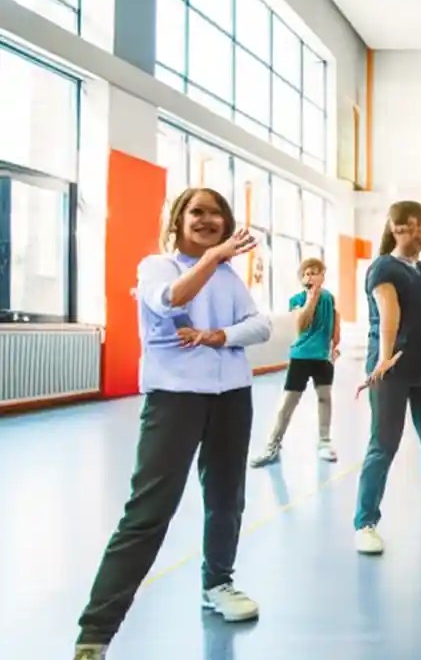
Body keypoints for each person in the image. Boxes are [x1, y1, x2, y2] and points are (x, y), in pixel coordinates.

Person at [74, 188, 268, 660]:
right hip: (175, 399)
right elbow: (171, 299)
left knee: (227, 497)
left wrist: (220, 335)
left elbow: (259, 325)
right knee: (148, 511)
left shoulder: (229, 277)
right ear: (178, 220)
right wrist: (216, 258)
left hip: (231, 397)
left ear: (226, 221)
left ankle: (218, 583)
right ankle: (96, 630)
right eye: (196, 213)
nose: (206, 221)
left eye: (215, 214)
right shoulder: (157, 265)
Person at [353, 201, 421, 556]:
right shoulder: (384, 267)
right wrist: (384, 360)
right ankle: (365, 523)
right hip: (393, 366)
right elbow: (389, 312)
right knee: (384, 443)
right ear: (400, 228)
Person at [250, 257, 340, 467]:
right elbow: (301, 325)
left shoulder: (329, 298)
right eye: (306, 274)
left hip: (322, 358)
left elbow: (335, 320)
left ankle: (325, 442)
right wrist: (311, 299)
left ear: (322, 276)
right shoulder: (297, 300)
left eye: (314, 272)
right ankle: (272, 446)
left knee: (325, 398)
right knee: (288, 402)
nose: (309, 277)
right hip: (301, 356)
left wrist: (334, 345)